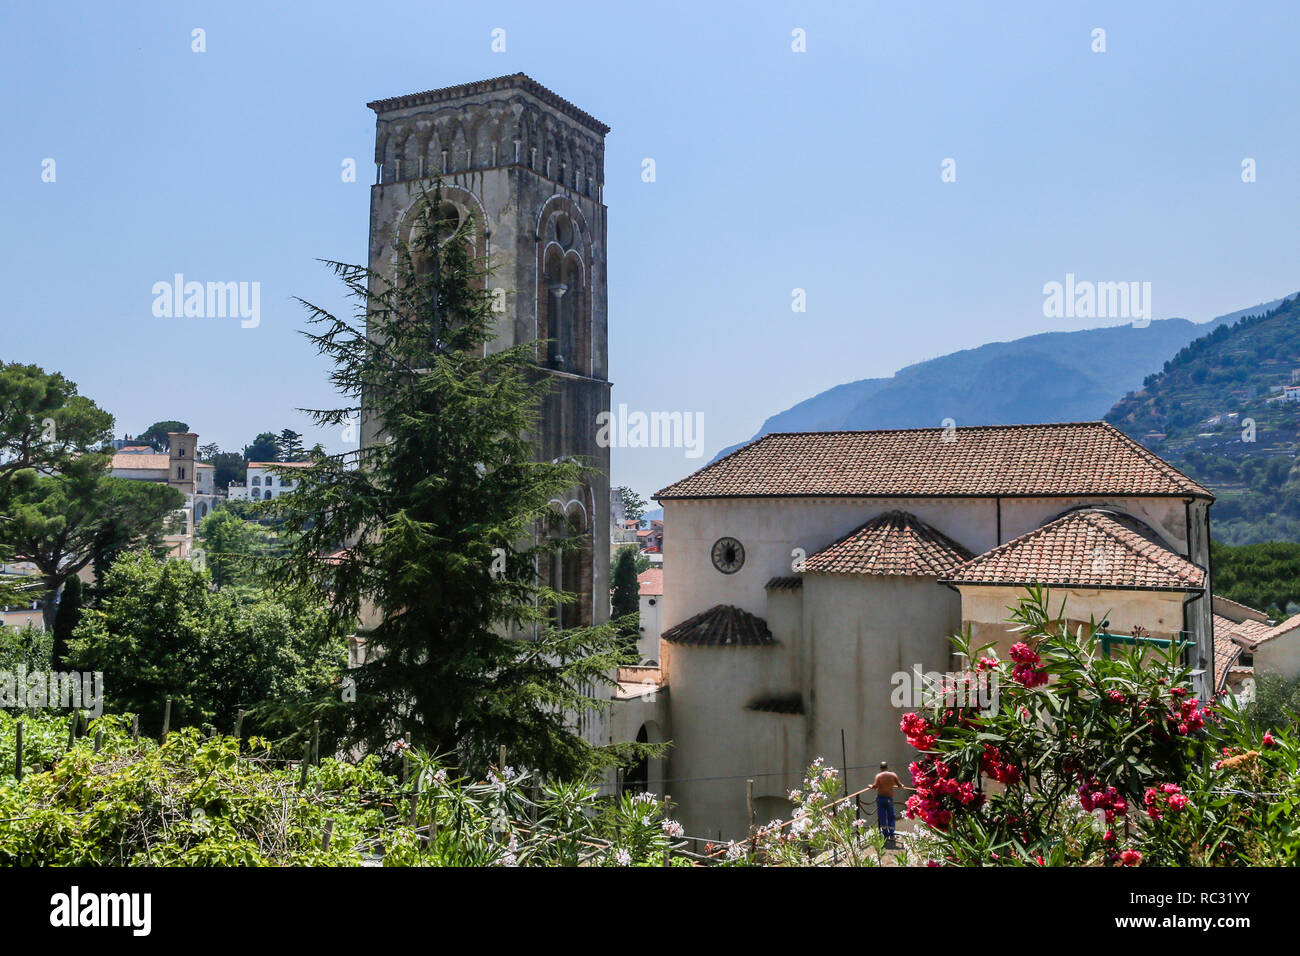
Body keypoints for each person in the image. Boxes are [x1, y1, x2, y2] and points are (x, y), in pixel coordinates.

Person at [868, 761, 907, 840]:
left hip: (881, 798)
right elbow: (899, 785)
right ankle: (891, 833)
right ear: (887, 768)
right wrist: (902, 786)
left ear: (880, 768)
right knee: (891, 816)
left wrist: (870, 786)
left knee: (882, 816)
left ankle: (885, 834)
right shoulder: (893, 775)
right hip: (889, 798)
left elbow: (874, 786)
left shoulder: (878, 776)